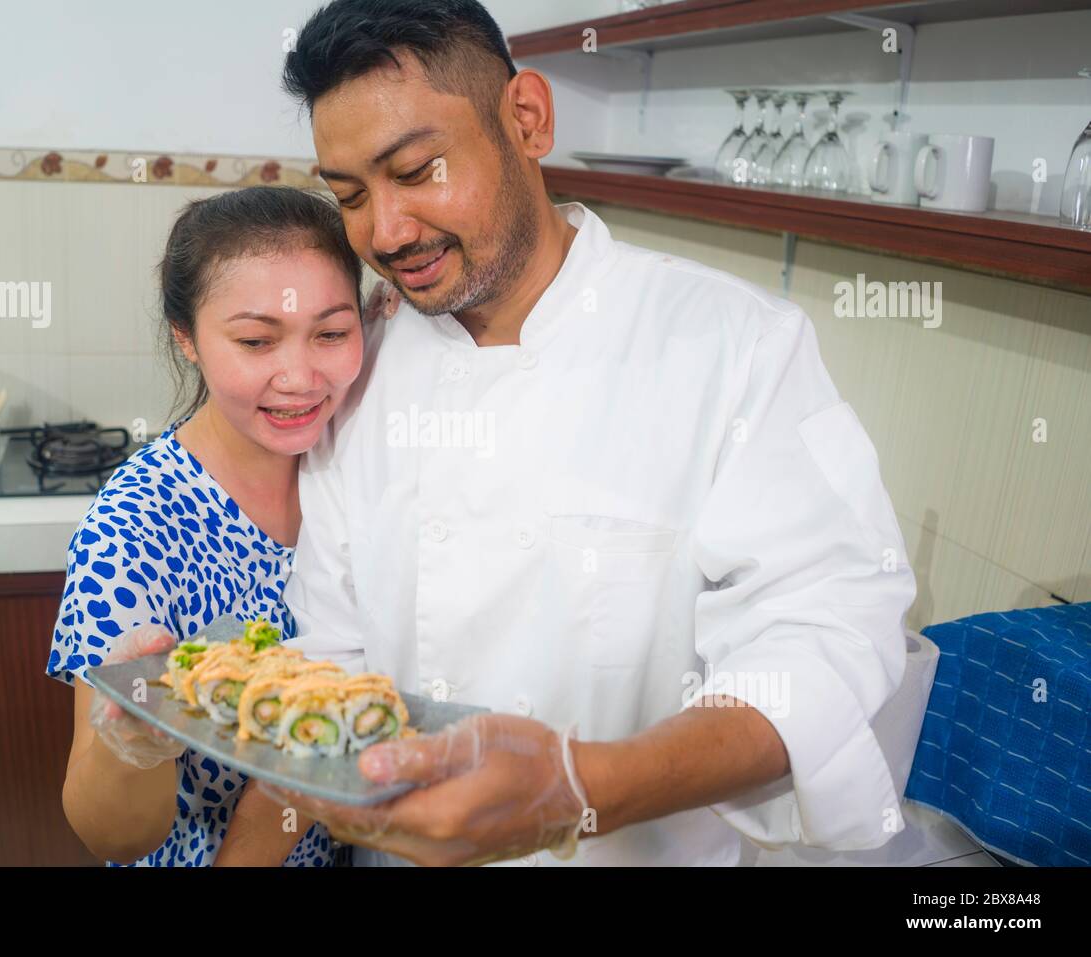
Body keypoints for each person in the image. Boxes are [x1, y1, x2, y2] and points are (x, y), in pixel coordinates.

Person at [261, 0, 919, 866]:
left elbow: (827, 632)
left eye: (417, 171)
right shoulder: (362, 366)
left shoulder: (731, 344)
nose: (385, 232)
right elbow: (333, 648)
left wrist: (583, 786)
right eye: (349, 195)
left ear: (525, 119)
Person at [46, 186, 370, 866]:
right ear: (186, 338)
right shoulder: (133, 527)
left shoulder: (351, 462)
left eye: (333, 333)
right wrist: (132, 740)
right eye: (256, 340)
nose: (301, 376)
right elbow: (110, 834)